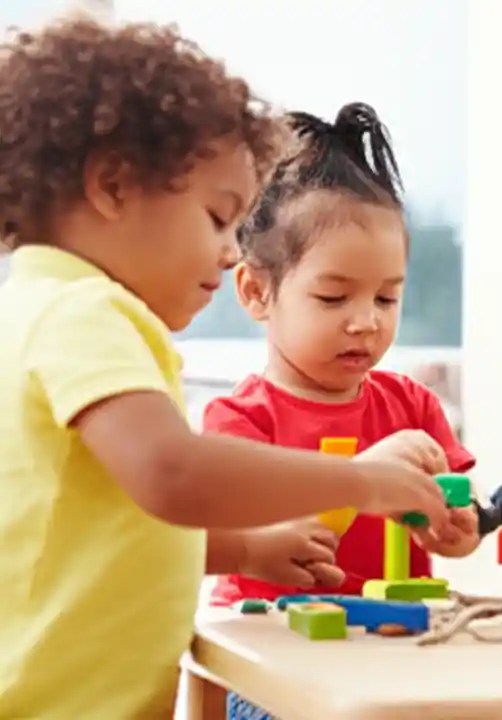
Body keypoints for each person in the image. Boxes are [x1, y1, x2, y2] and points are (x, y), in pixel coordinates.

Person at [0, 17, 452, 719]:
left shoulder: (40, 304)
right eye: (217, 219)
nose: (228, 252)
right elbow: (172, 474)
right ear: (114, 187)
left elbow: (113, 526)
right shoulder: (83, 314)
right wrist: (363, 480)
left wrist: (245, 547)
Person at [205, 102, 483, 606]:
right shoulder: (238, 423)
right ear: (255, 292)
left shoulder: (413, 409)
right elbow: (253, 542)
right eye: (333, 297)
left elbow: (459, 521)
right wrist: (364, 480)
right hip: (269, 647)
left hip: (392, 643)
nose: (366, 321)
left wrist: (458, 529)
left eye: (386, 298)